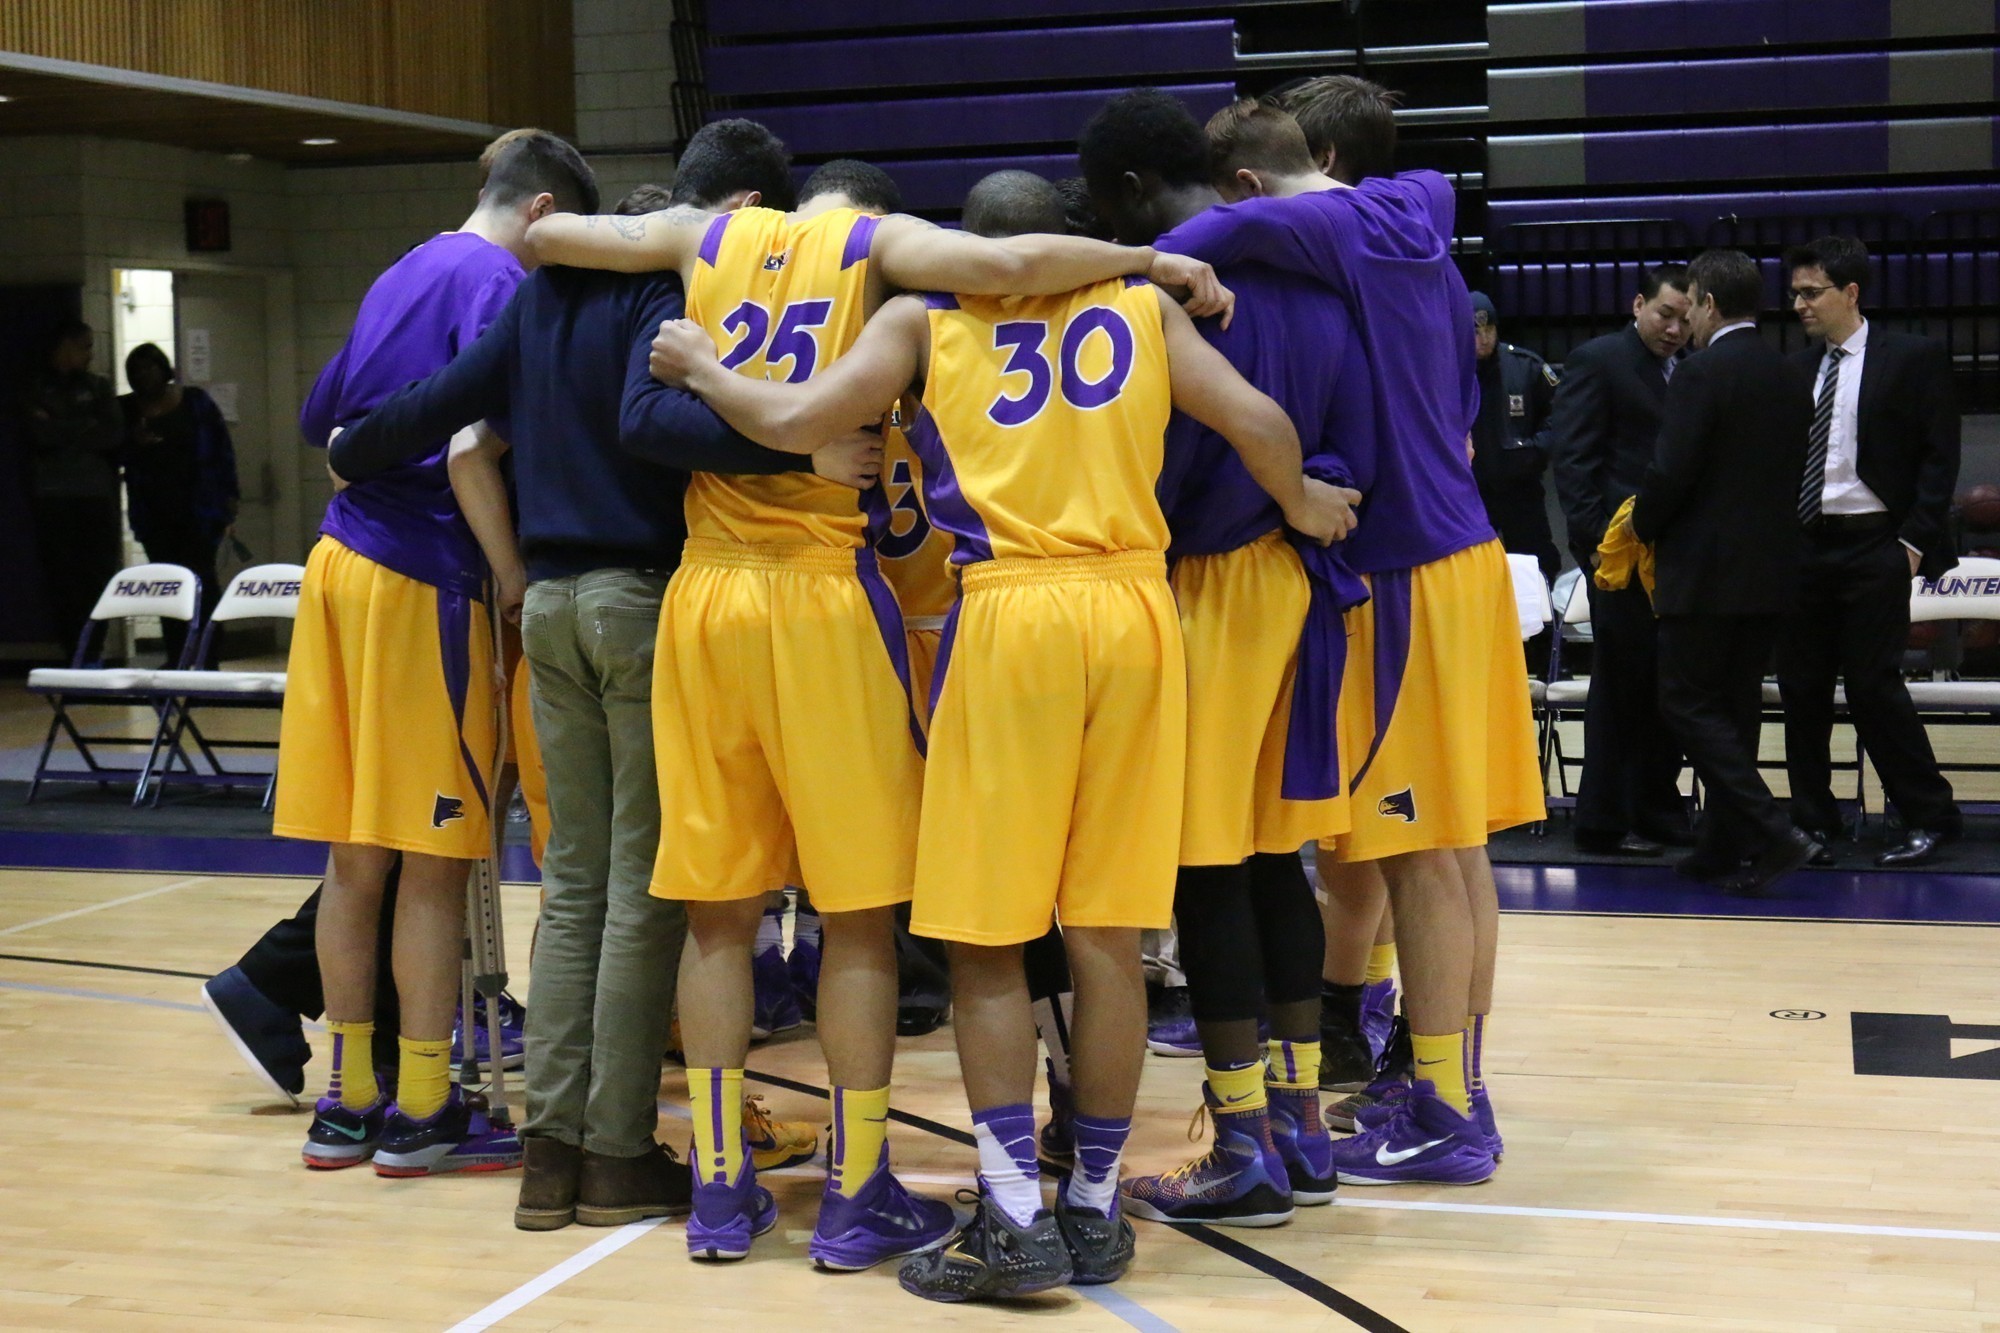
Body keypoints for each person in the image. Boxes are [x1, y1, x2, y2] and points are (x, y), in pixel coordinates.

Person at [526, 120, 1230, 1269]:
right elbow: (1005, 272)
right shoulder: (889, 270)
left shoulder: (703, 239)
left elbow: (553, 242)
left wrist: (548, 242)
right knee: (862, 916)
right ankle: (857, 1189)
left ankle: (716, 1188)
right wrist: (1149, 262)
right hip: (838, 600)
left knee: (718, 909)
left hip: (704, 598)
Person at [645, 165, 1343, 1303]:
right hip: (1134, 609)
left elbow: (784, 420)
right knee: (1106, 935)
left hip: (1010, 612)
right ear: (1067, 241)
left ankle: (1012, 1215)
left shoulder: (926, 318)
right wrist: (1304, 505)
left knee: (984, 939)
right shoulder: (1142, 306)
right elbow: (1261, 421)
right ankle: (1092, 1202)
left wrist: (697, 366)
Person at [326, 172, 875, 1226]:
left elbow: (439, 414)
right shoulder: (656, 298)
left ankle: (550, 1156)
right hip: (635, 602)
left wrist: (351, 450)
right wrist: (797, 445)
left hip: (548, 612)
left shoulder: (537, 303)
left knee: (572, 886)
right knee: (642, 889)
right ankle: (614, 1149)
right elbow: (651, 423)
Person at [1158, 91, 1546, 1187]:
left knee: (1414, 846)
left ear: (1243, 184)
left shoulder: (1294, 226)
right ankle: (1448, 1084)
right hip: (1467, 550)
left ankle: (1442, 1109)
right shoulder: (1416, 202)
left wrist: (1166, 266)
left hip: (1400, 564)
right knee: (1458, 843)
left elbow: (1169, 246)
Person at [280, 128, 596, 1177]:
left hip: (337, 571)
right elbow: (477, 448)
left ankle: (347, 1096)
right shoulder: (499, 281)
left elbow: (322, 420)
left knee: (353, 854)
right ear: (544, 213)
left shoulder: (401, 268)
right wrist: (513, 572)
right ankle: (423, 1106)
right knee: (434, 851)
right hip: (425, 574)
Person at [1077, 88, 1365, 1228]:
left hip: (1200, 581)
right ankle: (1300, 1127)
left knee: (1205, 867)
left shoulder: (1162, 290)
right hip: (1299, 584)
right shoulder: (1324, 286)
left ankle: (1239, 1137)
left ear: (1135, 197)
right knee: (1270, 856)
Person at [1622, 248, 1819, 894]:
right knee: (1736, 711)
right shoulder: (1793, 373)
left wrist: (1639, 526)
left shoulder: (1701, 373)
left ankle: (1771, 828)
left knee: (1683, 701)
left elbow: (1671, 471)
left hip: (1704, 572)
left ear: (1707, 303)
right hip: (1772, 571)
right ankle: (1723, 845)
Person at [1778, 235, 1961, 868]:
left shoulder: (1912, 358)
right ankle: (1813, 819)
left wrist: (1912, 545)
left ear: (1851, 292)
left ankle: (1930, 814)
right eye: (1795, 292)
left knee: (1873, 688)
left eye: (1812, 292)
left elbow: (1941, 458)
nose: (1799, 304)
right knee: (1800, 689)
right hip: (1805, 544)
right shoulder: (1797, 367)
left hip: (1876, 543)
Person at [1548, 265, 1695, 857]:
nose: (1675, 328)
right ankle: (1606, 820)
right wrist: (1592, 547)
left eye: (1686, 319)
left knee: (1665, 688)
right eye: (1665, 314)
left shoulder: (1686, 370)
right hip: (1617, 557)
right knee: (1621, 689)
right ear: (1638, 304)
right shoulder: (1600, 360)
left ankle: (1658, 810)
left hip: (1673, 559)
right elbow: (1574, 460)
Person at [119, 343, 239, 667]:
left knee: (202, 584)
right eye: (136, 371)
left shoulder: (196, 403)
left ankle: (207, 659)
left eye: (150, 368)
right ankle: (176, 657)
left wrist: (229, 505)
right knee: (166, 587)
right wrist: (134, 441)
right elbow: (112, 452)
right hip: (153, 515)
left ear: (164, 369)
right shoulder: (127, 410)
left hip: (200, 513)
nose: (143, 376)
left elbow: (222, 452)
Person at [23, 321, 125, 661]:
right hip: (53, 496)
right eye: (85, 347)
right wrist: (82, 427)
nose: (90, 355)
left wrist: (60, 426)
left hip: (95, 497)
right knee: (62, 579)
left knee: (96, 576)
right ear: (65, 346)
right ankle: (72, 654)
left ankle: (94, 651)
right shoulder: (36, 387)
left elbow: (111, 435)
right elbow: (39, 436)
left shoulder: (98, 387)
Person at [1469, 293, 1560, 583]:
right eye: (1475, 332)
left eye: (1489, 330)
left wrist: (1535, 450)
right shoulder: (1446, 371)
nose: (1483, 338)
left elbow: (1561, 414)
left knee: (1536, 569)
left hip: (1521, 488)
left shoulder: (1524, 366)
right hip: (1471, 492)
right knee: (1475, 574)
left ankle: (1544, 630)